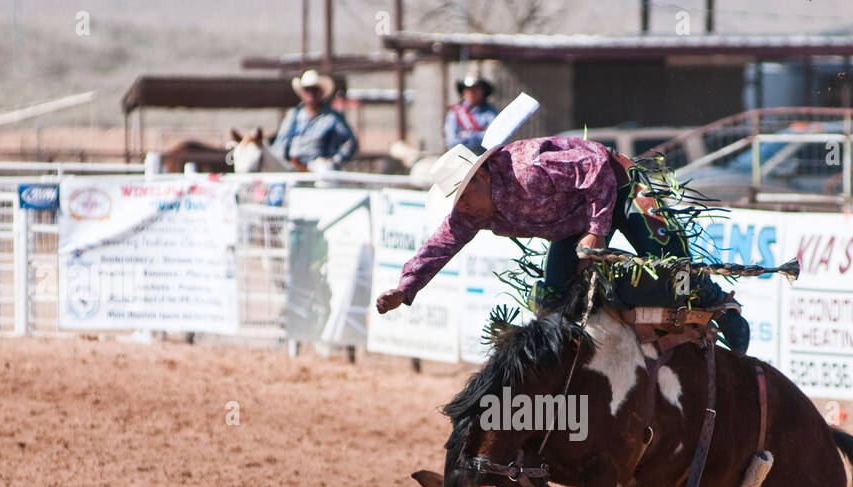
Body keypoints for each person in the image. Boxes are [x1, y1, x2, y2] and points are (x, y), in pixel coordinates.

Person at [376, 134, 750, 353]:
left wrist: (598, 230)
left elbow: (595, 167)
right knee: (552, 298)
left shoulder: (528, 168)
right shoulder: (472, 213)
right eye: (455, 200)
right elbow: (439, 246)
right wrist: (405, 289)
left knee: (669, 268)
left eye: (463, 195)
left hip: (617, 186)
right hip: (571, 221)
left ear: (483, 177)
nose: (462, 206)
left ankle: (718, 301)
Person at [271, 70, 358, 171]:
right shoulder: (293, 115)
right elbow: (280, 142)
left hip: (318, 167)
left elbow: (350, 142)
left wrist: (334, 161)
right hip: (293, 166)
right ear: (302, 93)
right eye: (307, 90)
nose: (311, 94)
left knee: (324, 175)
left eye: (314, 90)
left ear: (321, 92)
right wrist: (282, 163)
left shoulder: (332, 118)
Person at [446, 73, 498, 154]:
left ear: (482, 91)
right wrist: (481, 134)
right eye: (468, 89)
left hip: (485, 159)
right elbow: (451, 142)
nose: (471, 93)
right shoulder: (454, 113)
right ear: (463, 92)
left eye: (475, 89)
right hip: (461, 158)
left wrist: (466, 135)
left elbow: (494, 137)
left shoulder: (490, 112)